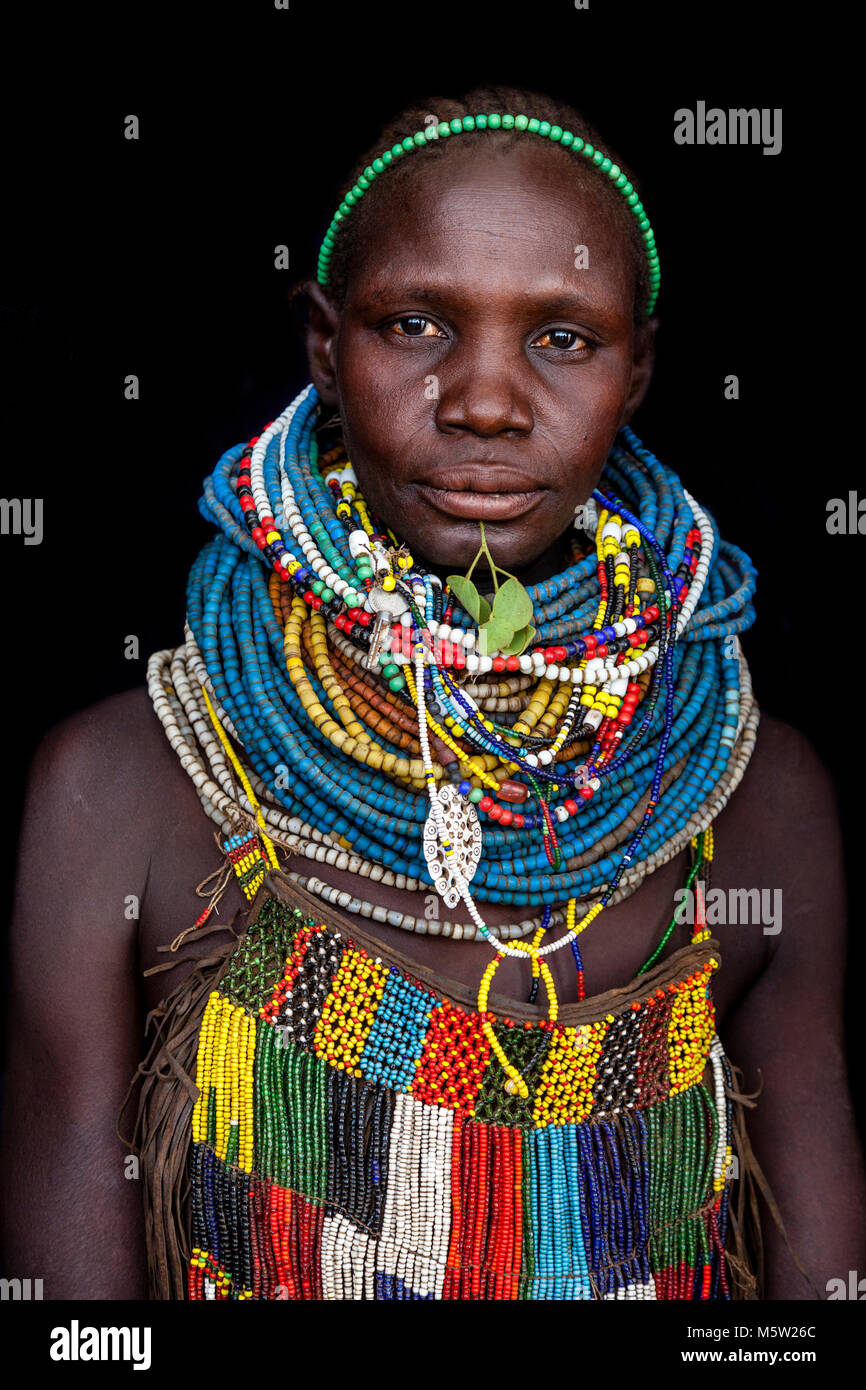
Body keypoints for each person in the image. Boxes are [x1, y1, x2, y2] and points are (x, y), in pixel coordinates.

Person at [2, 85, 864, 1302]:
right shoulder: (115, 789)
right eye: (415, 324)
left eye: (562, 337)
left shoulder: (753, 796)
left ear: (639, 367)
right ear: (321, 342)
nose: (486, 401)